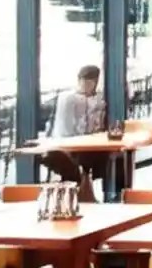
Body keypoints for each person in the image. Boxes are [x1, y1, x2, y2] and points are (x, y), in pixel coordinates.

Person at [41, 65, 116, 201]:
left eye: (91, 82)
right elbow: (66, 131)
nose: (87, 86)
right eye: (85, 82)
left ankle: (89, 194)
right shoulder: (68, 99)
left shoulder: (98, 99)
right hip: (64, 149)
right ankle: (83, 194)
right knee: (91, 160)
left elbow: (96, 126)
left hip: (84, 147)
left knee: (110, 156)